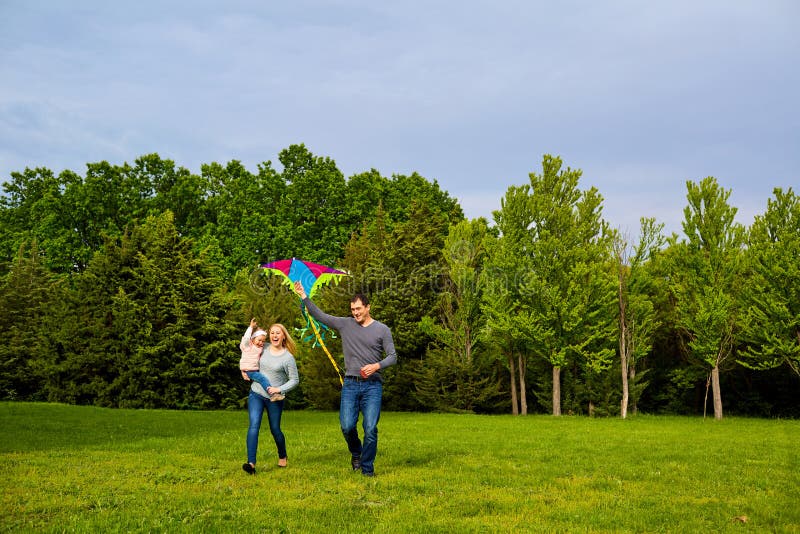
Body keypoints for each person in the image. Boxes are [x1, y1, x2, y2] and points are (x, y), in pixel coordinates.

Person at [294, 281, 397, 477]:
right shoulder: (345, 324)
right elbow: (321, 316)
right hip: (350, 384)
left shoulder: (382, 330)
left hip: (373, 386)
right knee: (347, 426)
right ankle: (356, 452)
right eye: (352, 310)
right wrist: (304, 297)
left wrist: (376, 366)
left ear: (368, 307)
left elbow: (393, 356)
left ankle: (367, 469)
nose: (355, 313)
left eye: (358, 309)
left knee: (370, 428)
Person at [243, 323, 300, 474]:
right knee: (254, 425)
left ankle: (282, 455)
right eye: (272, 333)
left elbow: (295, 380)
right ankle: (251, 464)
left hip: (275, 398)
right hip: (256, 393)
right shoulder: (263, 347)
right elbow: (247, 352)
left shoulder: (288, 358)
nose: (275, 335)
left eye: (278, 333)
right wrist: (245, 370)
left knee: (275, 429)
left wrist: (279, 389)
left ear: (283, 336)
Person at [239, 318, 284, 402]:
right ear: (252, 339)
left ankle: (269, 394)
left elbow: (270, 346)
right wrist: (251, 327)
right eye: (259, 340)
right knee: (262, 379)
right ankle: (273, 394)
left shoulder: (259, 347)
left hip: (252, 370)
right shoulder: (248, 346)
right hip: (250, 370)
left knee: (262, 379)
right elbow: (246, 338)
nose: (261, 343)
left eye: (263, 341)